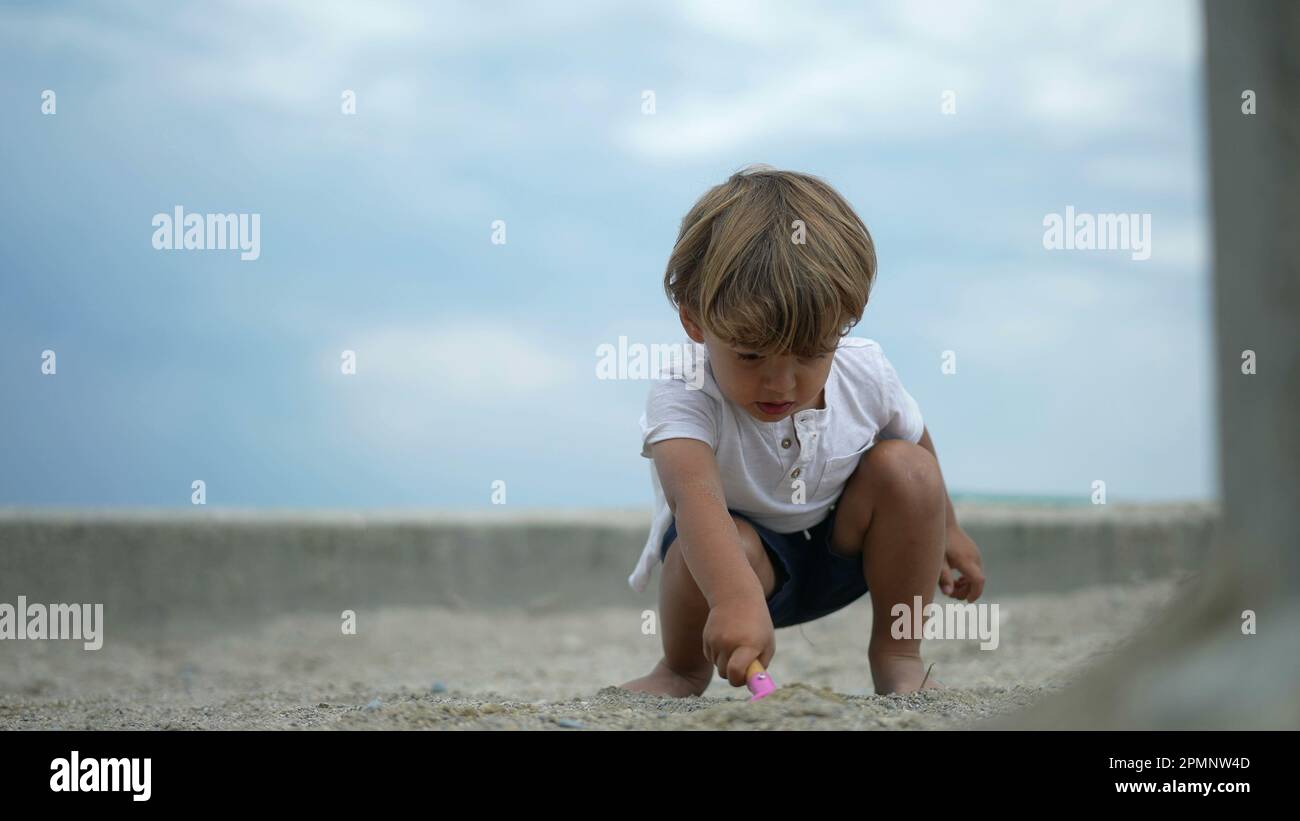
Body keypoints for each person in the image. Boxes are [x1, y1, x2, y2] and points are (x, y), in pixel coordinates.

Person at [620, 165, 985, 697]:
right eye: (749, 355)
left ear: (848, 318)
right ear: (695, 320)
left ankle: (898, 655)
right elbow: (694, 498)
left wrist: (948, 530)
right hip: (732, 564)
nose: (780, 383)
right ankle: (681, 670)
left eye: (812, 353)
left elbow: (917, 445)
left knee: (906, 467)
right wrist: (735, 600)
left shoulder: (866, 371)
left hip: (843, 552)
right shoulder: (685, 389)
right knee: (714, 544)